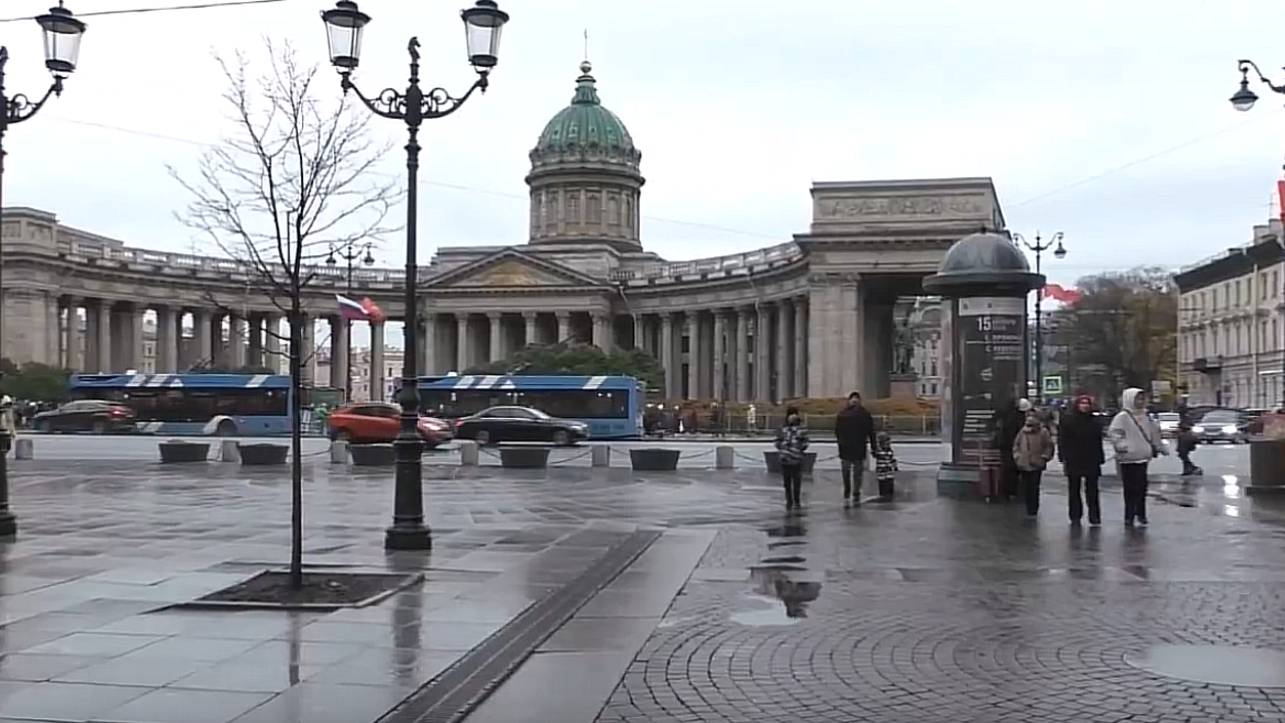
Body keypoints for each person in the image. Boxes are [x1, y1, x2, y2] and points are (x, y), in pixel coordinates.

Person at [1109, 387, 1166, 526]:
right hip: (1128, 459)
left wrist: (1159, 447)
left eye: (1142, 399)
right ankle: (1129, 515)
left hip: (1143, 457)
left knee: (1142, 487)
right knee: (1130, 488)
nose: (1140, 402)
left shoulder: (1146, 416)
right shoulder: (1122, 417)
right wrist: (1123, 447)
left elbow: (1154, 434)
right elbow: (1115, 433)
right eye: (1137, 399)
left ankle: (1141, 513)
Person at [1058, 394, 1105, 525]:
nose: (1084, 406)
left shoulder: (1095, 422)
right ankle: (1075, 515)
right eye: (1082, 403)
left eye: (1087, 404)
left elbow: (1098, 442)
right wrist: (1062, 456)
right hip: (1074, 458)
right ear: (1077, 405)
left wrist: (1100, 458)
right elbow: (1062, 440)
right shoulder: (1069, 421)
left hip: (1091, 459)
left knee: (1093, 490)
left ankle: (1094, 516)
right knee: (1074, 489)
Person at [835, 391, 877, 506]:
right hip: (858, 447)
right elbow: (871, 433)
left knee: (846, 471)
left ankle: (848, 490)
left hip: (846, 447)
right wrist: (874, 448)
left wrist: (840, 444)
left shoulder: (842, 414)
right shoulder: (865, 414)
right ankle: (855, 491)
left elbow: (837, 432)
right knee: (857, 472)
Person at [1013, 410, 1055, 516]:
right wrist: (1017, 457)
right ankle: (1028, 507)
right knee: (1026, 487)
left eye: (1033, 417)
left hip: (1036, 463)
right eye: (1029, 417)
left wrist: (1044, 457)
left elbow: (1049, 446)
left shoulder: (1043, 432)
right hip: (1023, 462)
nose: (1030, 419)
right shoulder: (1022, 432)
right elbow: (1016, 445)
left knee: (1034, 487)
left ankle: (1033, 509)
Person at [775, 406, 810, 510]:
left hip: (796, 458)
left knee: (796, 481)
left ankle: (796, 500)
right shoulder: (782, 428)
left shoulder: (801, 429)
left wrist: (799, 448)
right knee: (787, 482)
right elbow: (777, 441)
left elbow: (805, 442)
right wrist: (782, 447)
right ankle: (789, 500)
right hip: (785, 458)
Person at [995, 398, 1030, 501]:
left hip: (1006, 446)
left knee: (1007, 470)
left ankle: (1007, 492)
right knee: (1013, 470)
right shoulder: (1018, 418)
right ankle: (1011, 492)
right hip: (1012, 446)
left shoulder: (1007, 416)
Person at [873, 431, 898, 501]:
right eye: (887, 441)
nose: (889, 443)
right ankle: (884, 496)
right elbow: (877, 455)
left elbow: (891, 459)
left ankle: (889, 496)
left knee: (890, 486)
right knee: (883, 486)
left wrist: (894, 466)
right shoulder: (879, 451)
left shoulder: (889, 450)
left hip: (889, 472)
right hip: (882, 472)